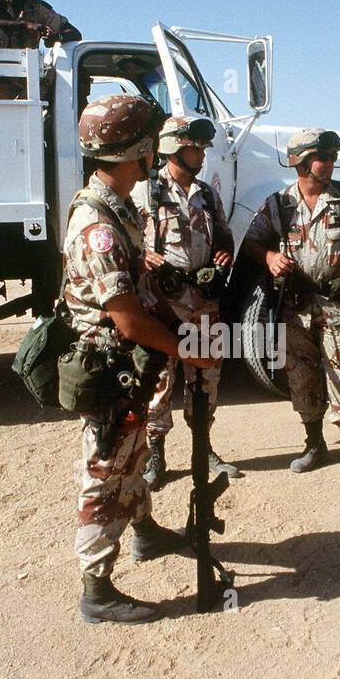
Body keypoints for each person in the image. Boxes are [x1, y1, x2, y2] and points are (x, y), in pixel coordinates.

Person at [62, 95, 214, 625]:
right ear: (143, 151)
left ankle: (145, 533)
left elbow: (140, 292)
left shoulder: (122, 206)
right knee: (106, 469)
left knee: (134, 453)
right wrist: (185, 348)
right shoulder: (98, 226)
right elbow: (125, 320)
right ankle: (96, 591)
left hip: (136, 364)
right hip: (112, 367)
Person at [240, 129, 340, 484]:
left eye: (332, 157)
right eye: (321, 157)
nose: (328, 163)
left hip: (338, 307)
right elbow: (251, 242)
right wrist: (269, 256)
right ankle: (314, 445)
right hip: (295, 308)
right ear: (298, 160)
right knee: (300, 377)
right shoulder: (278, 203)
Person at [133, 115, 241, 489]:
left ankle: (203, 447)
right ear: (174, 147)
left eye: (202, 148)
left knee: (206, 378)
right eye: (196, 147)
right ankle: (155, 453)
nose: (202, 154)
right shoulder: (144, 192)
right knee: (161, 382)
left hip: (203, 304)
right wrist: (144, 256)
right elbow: (127, 243)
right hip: (163, 305)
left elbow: (224, 238)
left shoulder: (207, 194)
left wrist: (223, 254)